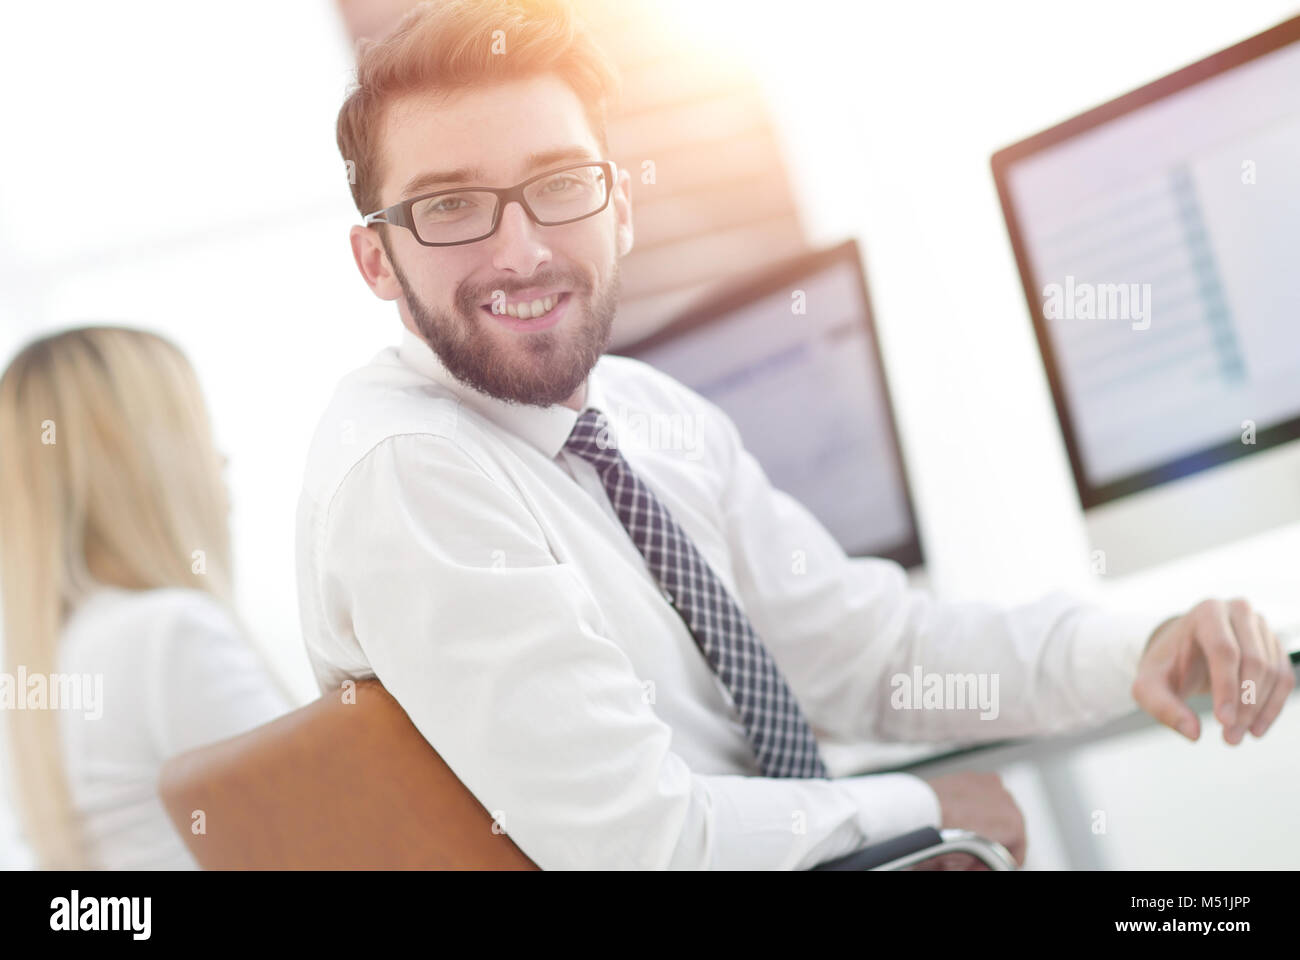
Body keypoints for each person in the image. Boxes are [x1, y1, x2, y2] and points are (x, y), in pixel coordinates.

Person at [295, 0, 1294, 869]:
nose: (520, 250)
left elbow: (877, 654)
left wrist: (1140, 645)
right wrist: (922, 809)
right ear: (375, 261)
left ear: (621, 207)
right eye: (450, 206)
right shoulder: (410, 470)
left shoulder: (646, 415)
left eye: (560, 185)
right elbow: (646, 851)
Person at [0, 326, 292, 869]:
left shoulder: (55, 658)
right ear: (143, 463)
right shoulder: (168, 633)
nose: (221, 459)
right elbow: (335, 842)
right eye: (197, 429)